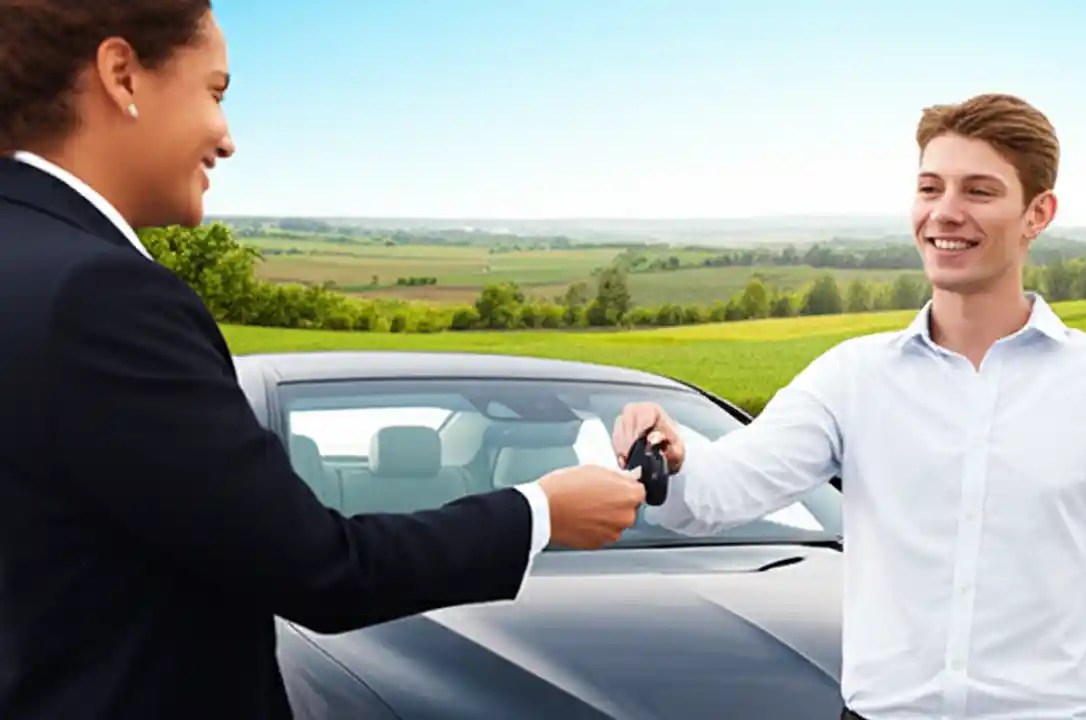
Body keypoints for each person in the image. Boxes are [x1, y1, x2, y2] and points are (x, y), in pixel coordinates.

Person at [0, 2, 645, 718]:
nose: (228, 139)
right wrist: (542, 511)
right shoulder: (103, 295)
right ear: (122, 75)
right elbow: (319, 569)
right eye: (215, 93)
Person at [614, 93, 1086, 719]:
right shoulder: (853, 376)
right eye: (930, 188)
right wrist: (672, 457)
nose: (945, 213)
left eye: (979, 192)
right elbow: (715, 498)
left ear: (1037, 213)